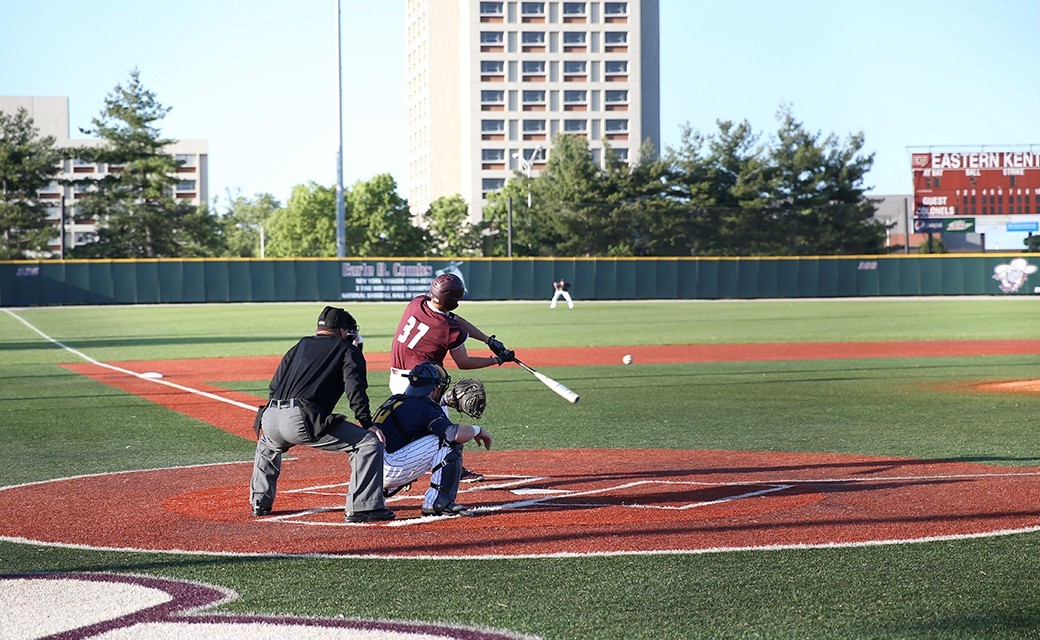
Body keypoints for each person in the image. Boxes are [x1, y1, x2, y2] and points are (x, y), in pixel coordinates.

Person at [250, 306, 393, 523]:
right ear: (342, 330)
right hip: (299, 419)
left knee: (267, 445)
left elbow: (274, 386)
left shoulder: (298, 346)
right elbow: (355, 389)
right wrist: (367, 423)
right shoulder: (347, 350)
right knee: (369, 443)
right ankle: (362, 507)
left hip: (269, 416)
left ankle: (259, 503)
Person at [389, 273, 514, 482]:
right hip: (420, 386)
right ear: (453, 302)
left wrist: (487, 340)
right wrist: (497, 360)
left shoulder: (418, 302)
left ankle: (444, 465)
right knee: (444, 431)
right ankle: (445, 470)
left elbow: (453, 319)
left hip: (398, 378)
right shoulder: (448, 329)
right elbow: (463, 362)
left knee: (422, 428)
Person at [375, 362, 493, 517]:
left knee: (420, 438)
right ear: (434, 388)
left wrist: (447, 400)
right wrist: (478, 430)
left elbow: (417, 413)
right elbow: (454, 434)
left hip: (369, 472)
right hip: (391, 470)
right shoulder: (424, 407)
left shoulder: (396, 400)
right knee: (447, 441)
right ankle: (438, 502)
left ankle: (373, 497)